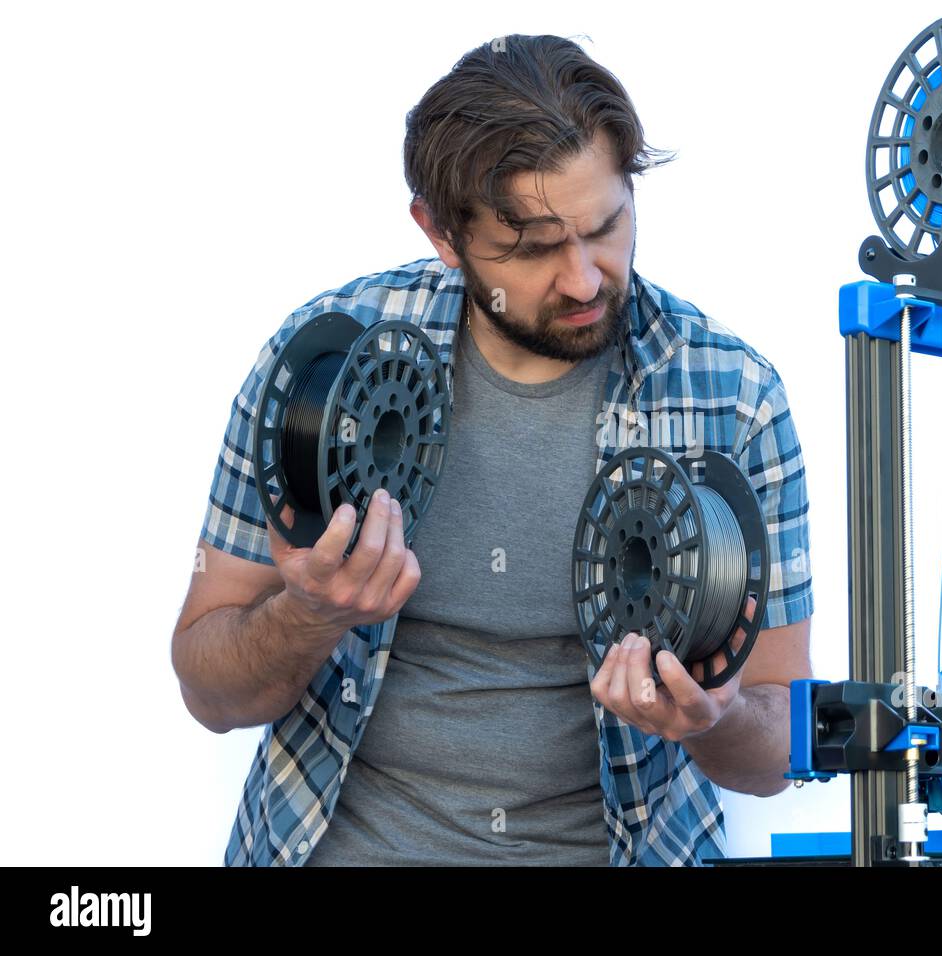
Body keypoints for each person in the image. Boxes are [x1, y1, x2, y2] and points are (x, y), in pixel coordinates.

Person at [171, 33, 814, 866]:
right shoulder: (324, 359)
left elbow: (779, 750)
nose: (584, 279)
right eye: (537, 249)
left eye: (607, 227)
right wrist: (311, 612)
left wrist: (714, 719)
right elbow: (207, 687)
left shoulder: (735, 395)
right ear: (441, 233)